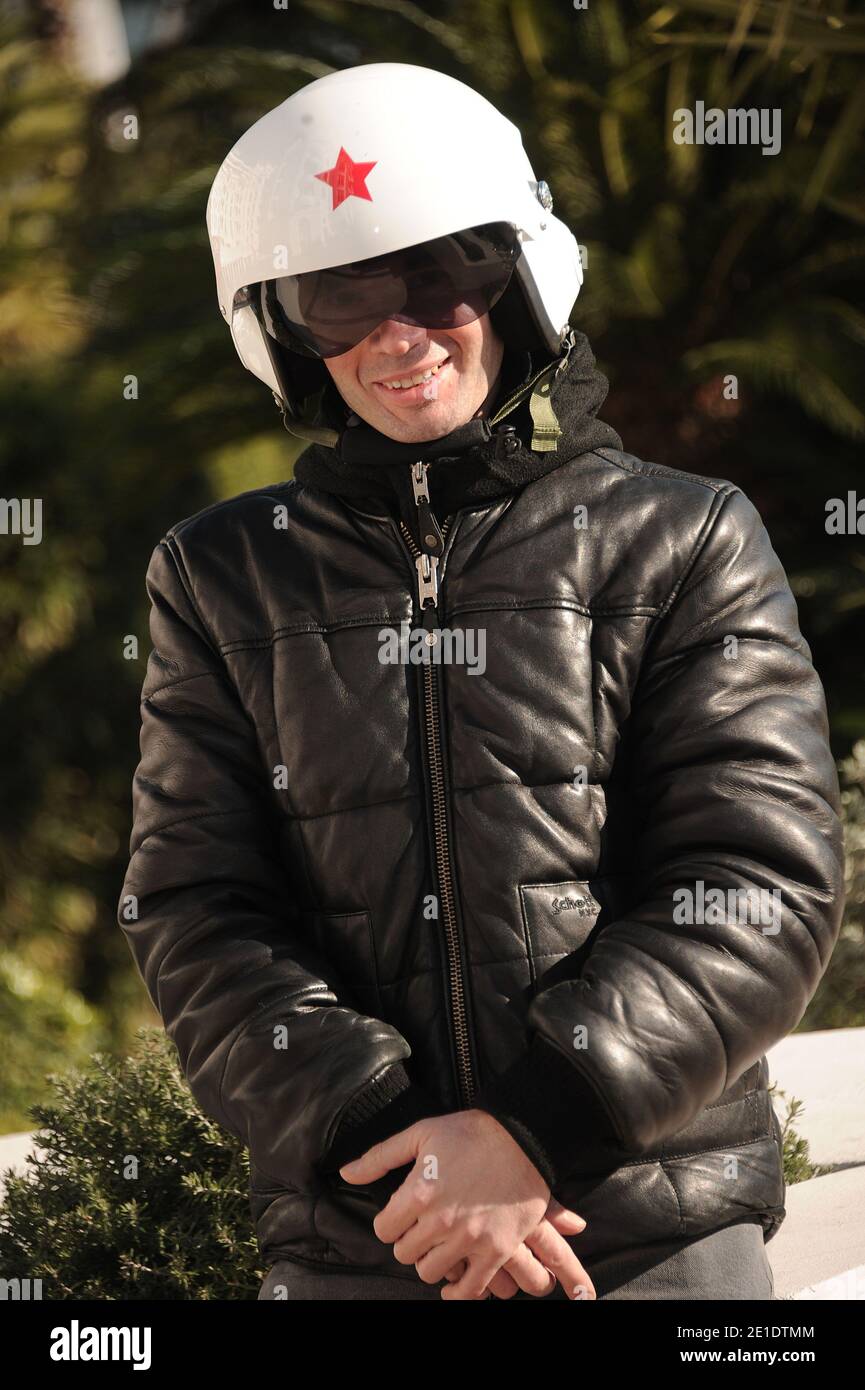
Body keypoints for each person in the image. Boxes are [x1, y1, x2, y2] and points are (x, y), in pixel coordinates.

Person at [119, 62, 844, 1302]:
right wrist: (398, 1151)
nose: (396, 334)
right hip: (369, 1238)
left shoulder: (684, 539)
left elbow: (758, 879)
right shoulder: (221, 577)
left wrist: (531, 1130)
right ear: (282, 326)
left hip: (647, 1232)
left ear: (513, 277)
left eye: (439, 273)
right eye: (338, 295)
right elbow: (193, 906)